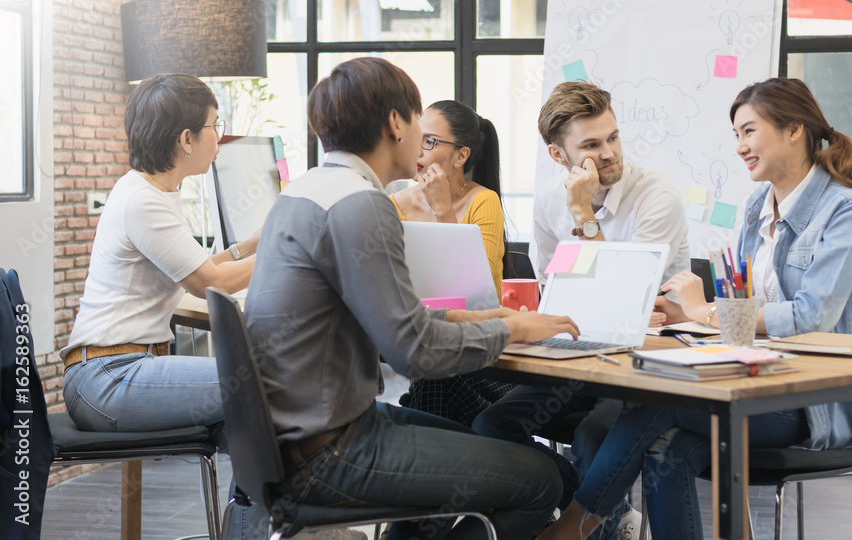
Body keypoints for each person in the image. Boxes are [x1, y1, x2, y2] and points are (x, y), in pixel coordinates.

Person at [537, 77, 852, 540]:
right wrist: (691, 314)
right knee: (664, 447)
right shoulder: (758, 205)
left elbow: (812, 316)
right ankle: (575, 528)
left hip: (814, 403)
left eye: (749, 132)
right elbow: (742, 307)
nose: (739, 147)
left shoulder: (845, 210)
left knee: (656, 404)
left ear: (794, 129)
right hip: (755, 378)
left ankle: (571, 528)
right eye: (736, 135)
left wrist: (706, 313)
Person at [243, 56, 580, 540]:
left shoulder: (307, 192)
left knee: (475, 446)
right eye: (419, 118)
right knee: (539, 478)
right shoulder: (361, 204)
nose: (422, 133)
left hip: (301, 437)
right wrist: (512, 328)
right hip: (333, 449)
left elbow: (398, 316)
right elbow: (413, 350)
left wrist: (485, 315)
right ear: (395, 123)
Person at [472, 80, 690, 538]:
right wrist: (595, 292)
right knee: (492, 422)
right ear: (558, 155)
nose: (609, 152)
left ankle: (587, 521)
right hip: (580, 354)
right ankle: (593, 504)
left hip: (642, 368)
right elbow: (558, 292)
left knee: (594, 434)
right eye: (591, 144)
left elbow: (622, 300)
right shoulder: (550, 197)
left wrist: (583, 219)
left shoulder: (656, 195)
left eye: (612, 137)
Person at [60, 73, 267, 539]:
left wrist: (249, 248)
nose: (221, 135)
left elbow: (195, 269)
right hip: (109, 380)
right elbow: (207, 283)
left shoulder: (152, 192)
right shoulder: (144, 202)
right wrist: (289, 246)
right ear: (186, 138)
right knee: (264, 386)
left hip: (121, 372)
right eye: (216, 125)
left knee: (258, 433)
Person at [390, 100, 515, 426]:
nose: (417, 149)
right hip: (425, 342)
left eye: (429, 142)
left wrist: (443, 210)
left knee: (435, 377)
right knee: (435, 371)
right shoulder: (394, 204)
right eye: (417, 136)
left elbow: (478, 296)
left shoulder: (482, 201)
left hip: (482, 351)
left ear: (461, 156)